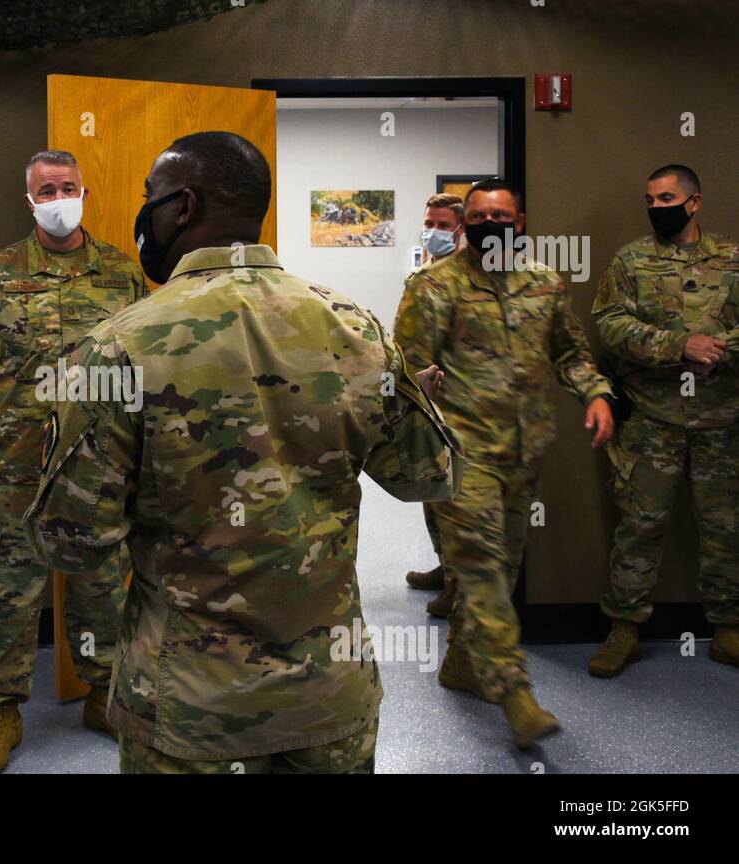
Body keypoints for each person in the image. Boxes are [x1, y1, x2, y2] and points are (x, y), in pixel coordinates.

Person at [26, 131, 460, 774]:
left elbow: (70, 541)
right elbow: (428, 474)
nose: (145, 212)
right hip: (327, 698)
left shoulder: (119, 347)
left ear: (183, 207)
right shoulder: (354, 326)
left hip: (191, 710)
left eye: (150, 197)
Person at [395, 178, 616, 748]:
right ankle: (514, 692)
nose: (492, 223)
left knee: (504, 564)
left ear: (520, 222)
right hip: (462, 454)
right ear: (467, 223)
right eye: (480, 216)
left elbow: (569, 351)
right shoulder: (433, 286)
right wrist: (420, 393)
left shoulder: (545, 284)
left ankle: (464, 664)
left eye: (503, 215)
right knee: (482, 569)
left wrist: (595, 394)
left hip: (524, 450)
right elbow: (405, 371)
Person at [0, 149, 146, 773]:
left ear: (85, 192)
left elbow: (144, 358)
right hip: (15, 466)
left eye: (67, 186)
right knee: (9, 587)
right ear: (29, 198)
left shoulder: (122, 274)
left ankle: (99, 693)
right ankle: (3, 710)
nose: (57, 197)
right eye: (45, 189)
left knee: (100, 581)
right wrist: (9, 421)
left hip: (96, 462)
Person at [589, 164, 739, 677]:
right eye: (650, 199)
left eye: (667, 198)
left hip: (723, 421)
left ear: (694, 203)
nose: (657, 207)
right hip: (653, 420)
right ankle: (625, 628)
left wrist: (719, 349)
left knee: (725, 528)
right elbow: (609, 323)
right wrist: (680, 345)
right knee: (640, 526)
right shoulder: (632, 259)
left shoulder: (732, 258)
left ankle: (729, 629)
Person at [404, 193, 465, 615]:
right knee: (433, 491)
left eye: (444, 225)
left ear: (460, 230)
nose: (435, 232)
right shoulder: (422, 275)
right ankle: (445, 568)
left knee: (456, 498)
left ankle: (460, 587)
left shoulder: (468, 280)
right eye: (430, 223)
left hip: (461, 402)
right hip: (429, 400)